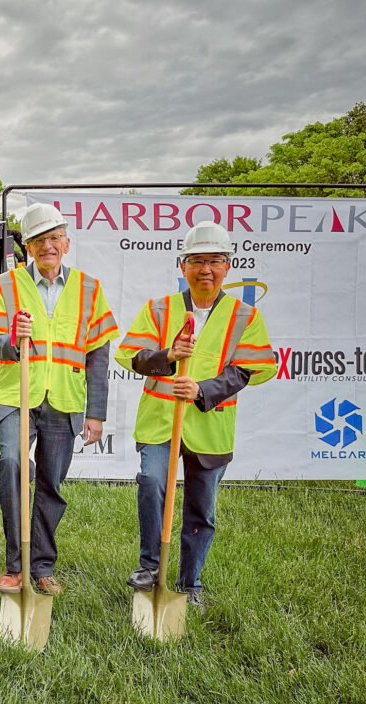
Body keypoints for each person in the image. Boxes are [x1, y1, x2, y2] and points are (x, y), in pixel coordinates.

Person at [114, 220, 276, 609]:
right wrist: (167, 358)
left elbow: (251, 368)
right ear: (182, 265)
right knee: (152, 482)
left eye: (215, 260)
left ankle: (190, 584)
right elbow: (131, 355)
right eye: (197, 261)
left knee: (201, 508)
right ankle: (151, 568)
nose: (206, 269)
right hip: (160, 421)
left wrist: (204, 389)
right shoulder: (159, 308)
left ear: (227, 266)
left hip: (210, 426)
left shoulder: (244, 316)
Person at [0, 202, 119, 596]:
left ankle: (42, 566)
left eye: (54, 238)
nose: (47, 246)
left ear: (66, 243)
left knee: (51, 482)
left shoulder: (89, 288)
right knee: (12, 462)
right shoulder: (7, 285)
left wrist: (96, 413)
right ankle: (15, 566)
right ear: (29, 248)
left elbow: (98, 354)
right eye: (38, 240)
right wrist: (13, 343)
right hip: (16, 394)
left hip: (65, 399)